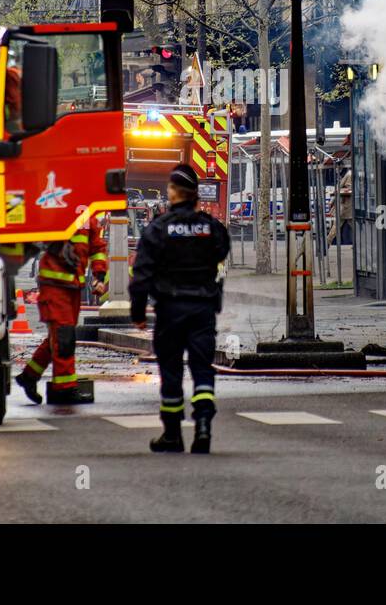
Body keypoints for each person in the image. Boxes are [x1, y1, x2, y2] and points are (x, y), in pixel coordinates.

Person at [129, 163, 231, 453]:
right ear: (196, 194)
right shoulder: (211, 228)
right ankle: (203, 428)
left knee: (171, 370)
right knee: (202, 369)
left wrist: (137, 312)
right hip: (202, 310)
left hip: (170, 310)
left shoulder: (158, 228)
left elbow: (142, 274)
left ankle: (172, 435)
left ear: (174, 192)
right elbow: (222, 250)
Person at [14, 216, 108, 405]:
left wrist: (99, 275)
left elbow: (96, 247)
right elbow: (37, 234)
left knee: (57, 337)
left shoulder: (87, 215)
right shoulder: (56, 206)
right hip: (54, 285)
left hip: (73, 287)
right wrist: (55, 245)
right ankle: (64, 389)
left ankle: (29, 376)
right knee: (64, 337)